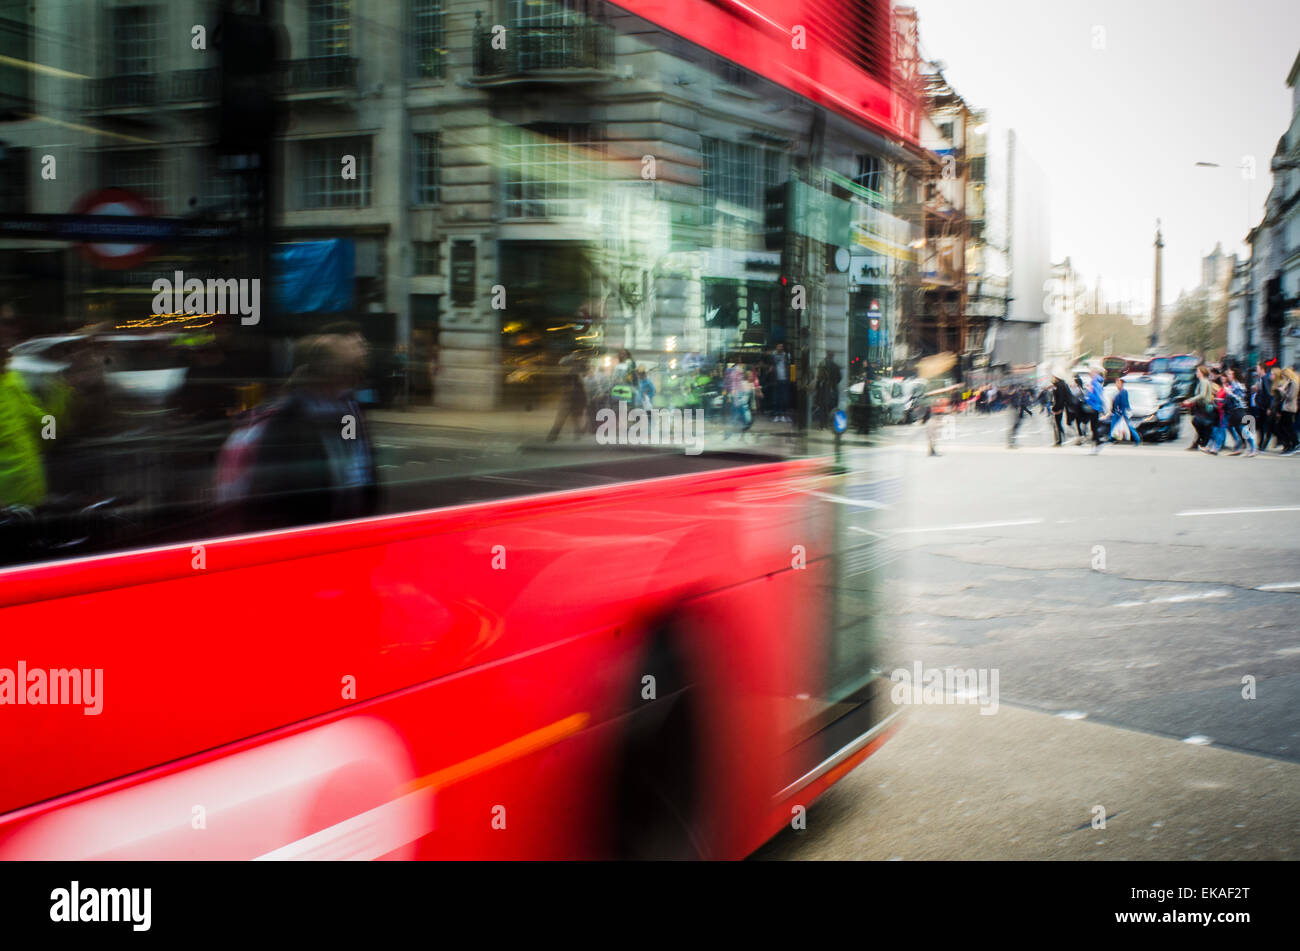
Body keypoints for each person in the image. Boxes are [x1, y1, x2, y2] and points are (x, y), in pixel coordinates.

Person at [215, 330, 379, 532]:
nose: (350, 379)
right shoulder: (286, 418)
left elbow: (356, 460)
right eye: (345, 369)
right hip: (308, 535)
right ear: (324, 371)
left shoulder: (346, 409)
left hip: (345, 530)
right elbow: (274, 492)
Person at [1107, 377, 1141, 445]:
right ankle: (1111, 438)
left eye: (1118, 383)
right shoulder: (1118, 392)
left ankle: (1137, 439)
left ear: (1121, 384)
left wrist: (1122, 413)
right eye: (1116, 383)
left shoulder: (1123, 392)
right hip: (1117, 412)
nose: (1116, 384)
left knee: (1128, 426)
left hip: (1122, 413)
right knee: (1113, 425)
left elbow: (1124, 403)